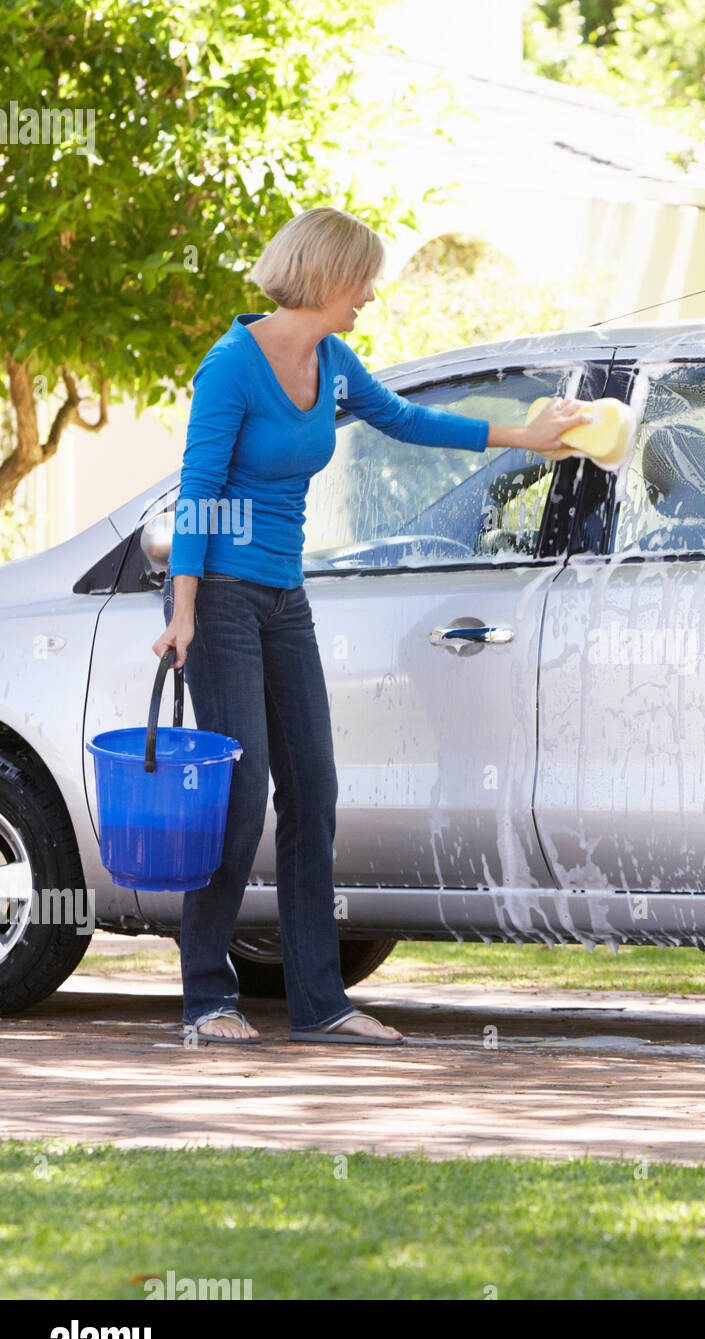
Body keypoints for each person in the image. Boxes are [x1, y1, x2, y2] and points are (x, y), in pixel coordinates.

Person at [153, 206, 587, 1045]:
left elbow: (407, 420)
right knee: (240, 803)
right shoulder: (230, 367)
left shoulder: (332, 359)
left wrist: (524, 438)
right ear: (324, 278)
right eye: (364, 281)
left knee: (313, 792)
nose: (372, 296)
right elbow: (199, 489)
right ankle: (208, 997)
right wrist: (183, 609)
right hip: (225, 605)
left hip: (286, 598)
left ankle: (321, 1004)